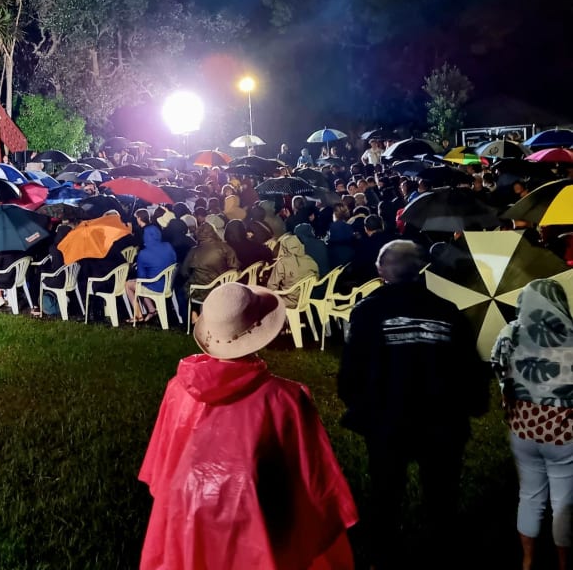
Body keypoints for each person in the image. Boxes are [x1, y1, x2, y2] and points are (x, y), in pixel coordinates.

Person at [139, 282, 358, 569]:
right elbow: (311, 483)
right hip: (258, 513)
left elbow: (164, 467)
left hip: (188, 509)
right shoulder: (287, 398)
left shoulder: (178, 388)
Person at [338, 240, 490, 568]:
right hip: (441, 422)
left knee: (385, 491)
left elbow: (352, 370)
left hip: (387, 422)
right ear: (420, 269)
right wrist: (475, 403)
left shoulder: (368, 311)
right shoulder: (447, 310)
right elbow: (470, 367)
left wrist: (359, 404)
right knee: (441, 494)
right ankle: (441, 549)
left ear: (381, 271)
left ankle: (384, 552)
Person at [491, 279, 573, 570]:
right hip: (563, 430)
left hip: (523, 426)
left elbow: (498, 366)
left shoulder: (511, 331)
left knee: (529, 495)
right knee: (563, 502)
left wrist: (508, 392)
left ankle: (528, 561)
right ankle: (563, 563)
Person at [265, 234, 318, 307]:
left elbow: (272, 285)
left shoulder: (283, 262)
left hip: (288, 300)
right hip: (306, 298)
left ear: (284, 248)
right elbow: (316, 277)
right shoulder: (310, 260)